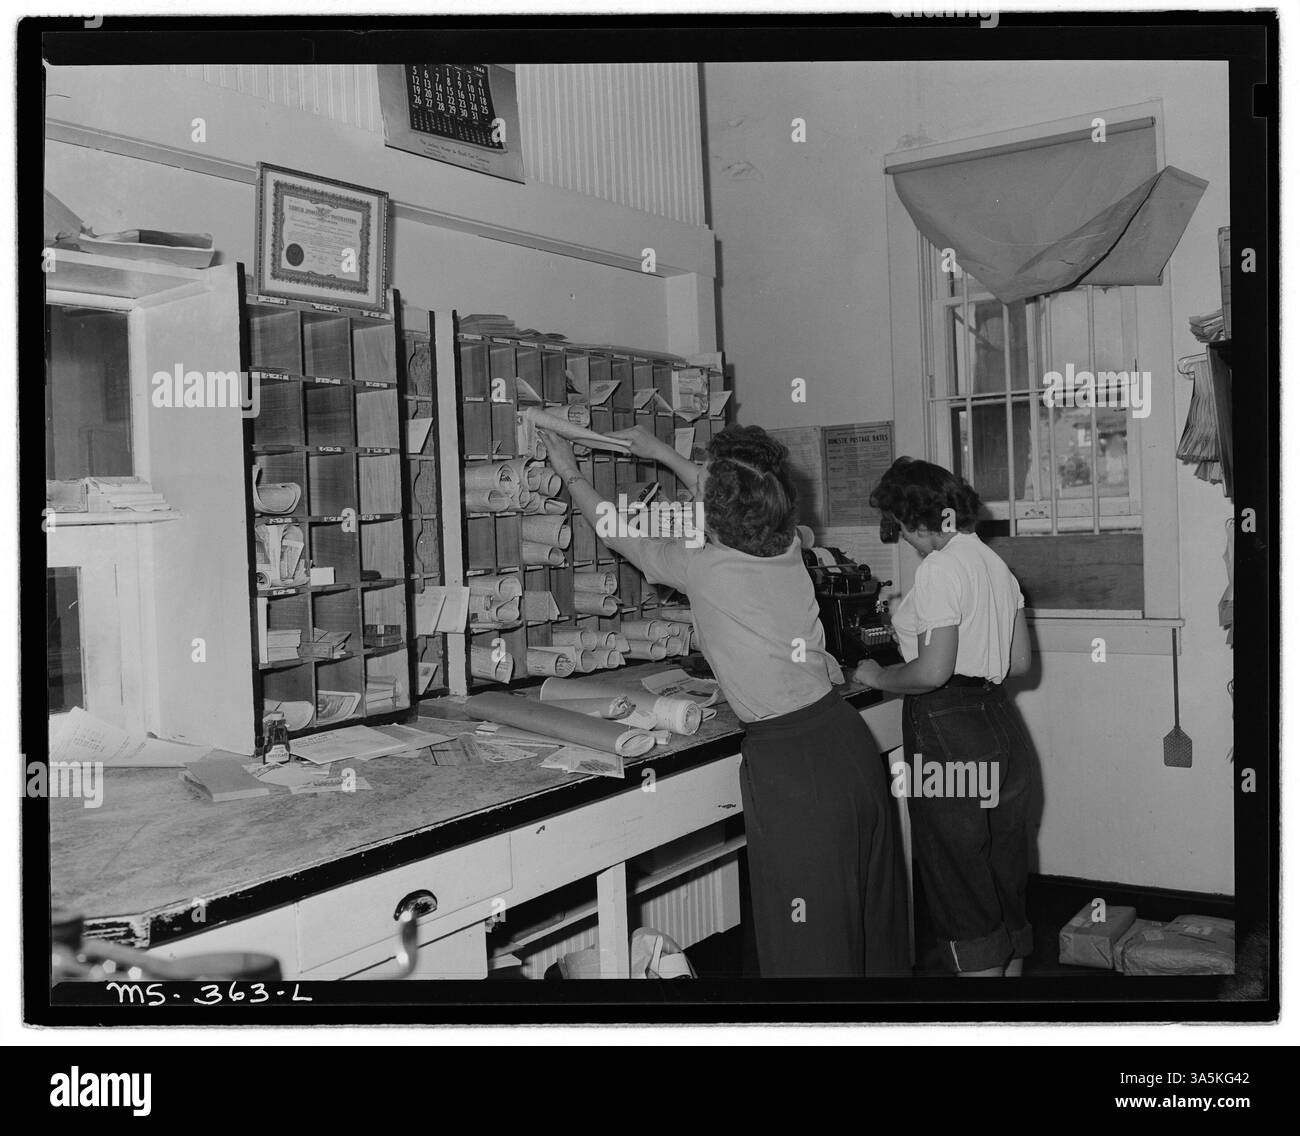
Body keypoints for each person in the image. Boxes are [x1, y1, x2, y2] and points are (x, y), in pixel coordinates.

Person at [540, 423, 909, 978]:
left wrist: (569, 469)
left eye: (699, 493)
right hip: (845, 746)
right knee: (867, 931)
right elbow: (740, 489)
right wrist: (661, 452)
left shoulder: (704, 568)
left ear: (714, 512)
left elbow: (616, 531)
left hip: (794, 766)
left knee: (810, 951)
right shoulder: (786, 545)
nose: (693, 494)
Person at [855, 457, 1034, 977]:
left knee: (959, 877)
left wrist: (876, 676)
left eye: (902, 529)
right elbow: (1018, 662)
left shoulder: (939, 569)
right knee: (1003, 873)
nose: (906, 541)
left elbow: (933, 672)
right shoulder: (997, 566)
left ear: (914, 521)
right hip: (1001, 724)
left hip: (947, 727)